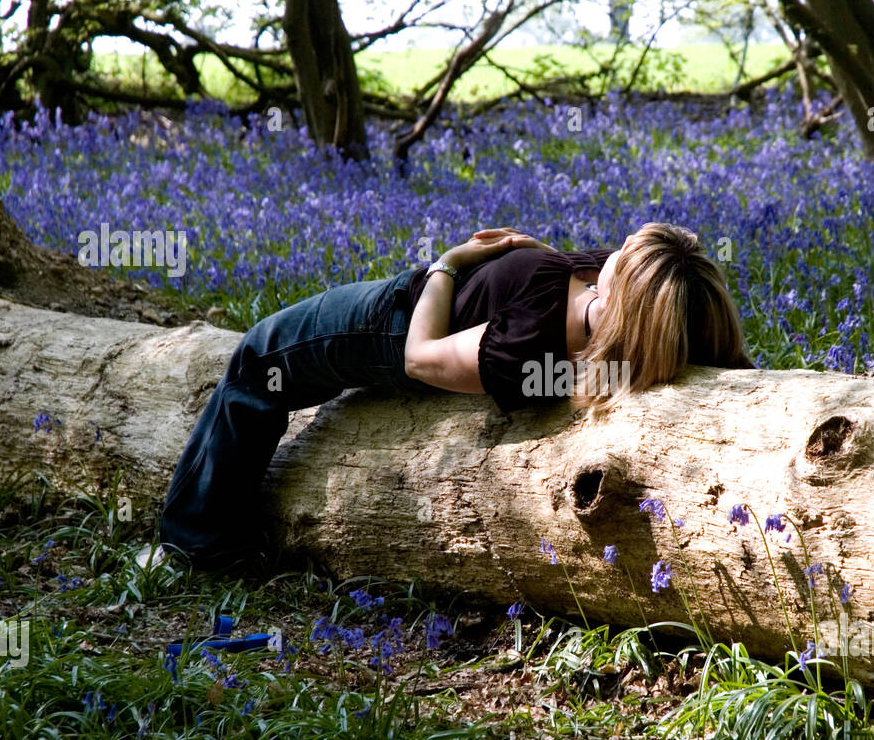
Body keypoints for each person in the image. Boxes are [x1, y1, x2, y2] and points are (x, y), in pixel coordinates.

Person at [140, 222, 753, 572]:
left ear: (630, 298)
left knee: (257, 361)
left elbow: (419, 356)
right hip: (432, 304)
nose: (614, 249)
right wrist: (533, 259)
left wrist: (450, 262)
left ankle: (198, 542)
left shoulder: (538, 333)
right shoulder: (618, 322)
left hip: (390, 319)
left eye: (625, 255)